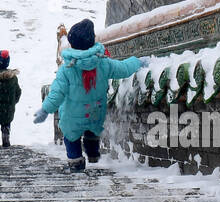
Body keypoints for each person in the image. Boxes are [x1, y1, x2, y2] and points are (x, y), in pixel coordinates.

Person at [33, 19, 145, 172]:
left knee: (71, 137)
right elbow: (124, 68)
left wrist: (45, 110)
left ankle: (76, 163)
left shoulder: (67, 68)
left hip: (72, 116)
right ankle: (92, 153)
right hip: (95, 112)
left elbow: (56, 93)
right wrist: (137, 62)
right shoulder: (104, 63)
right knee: (92, 130)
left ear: (72, 44)